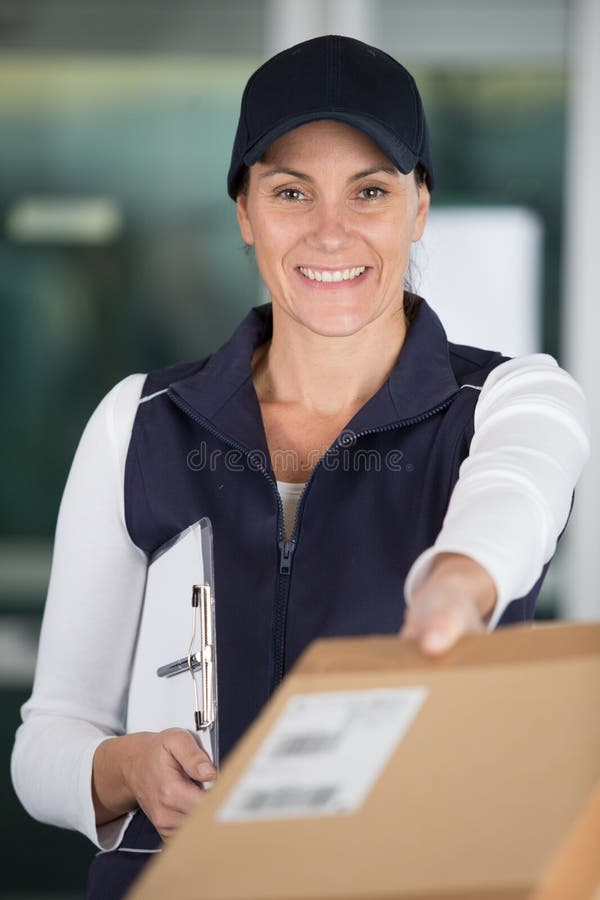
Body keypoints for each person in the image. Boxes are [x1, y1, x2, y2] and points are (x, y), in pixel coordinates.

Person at [11, 35, 589, 899]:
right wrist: (127, 769)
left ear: (419, 206)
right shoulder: (142, 425)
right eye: (291, 192)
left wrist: (455, 588)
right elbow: (46, 739)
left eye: (369, 191)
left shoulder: (511, 401)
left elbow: (516, 494)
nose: (331, 232)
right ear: (244, 211)